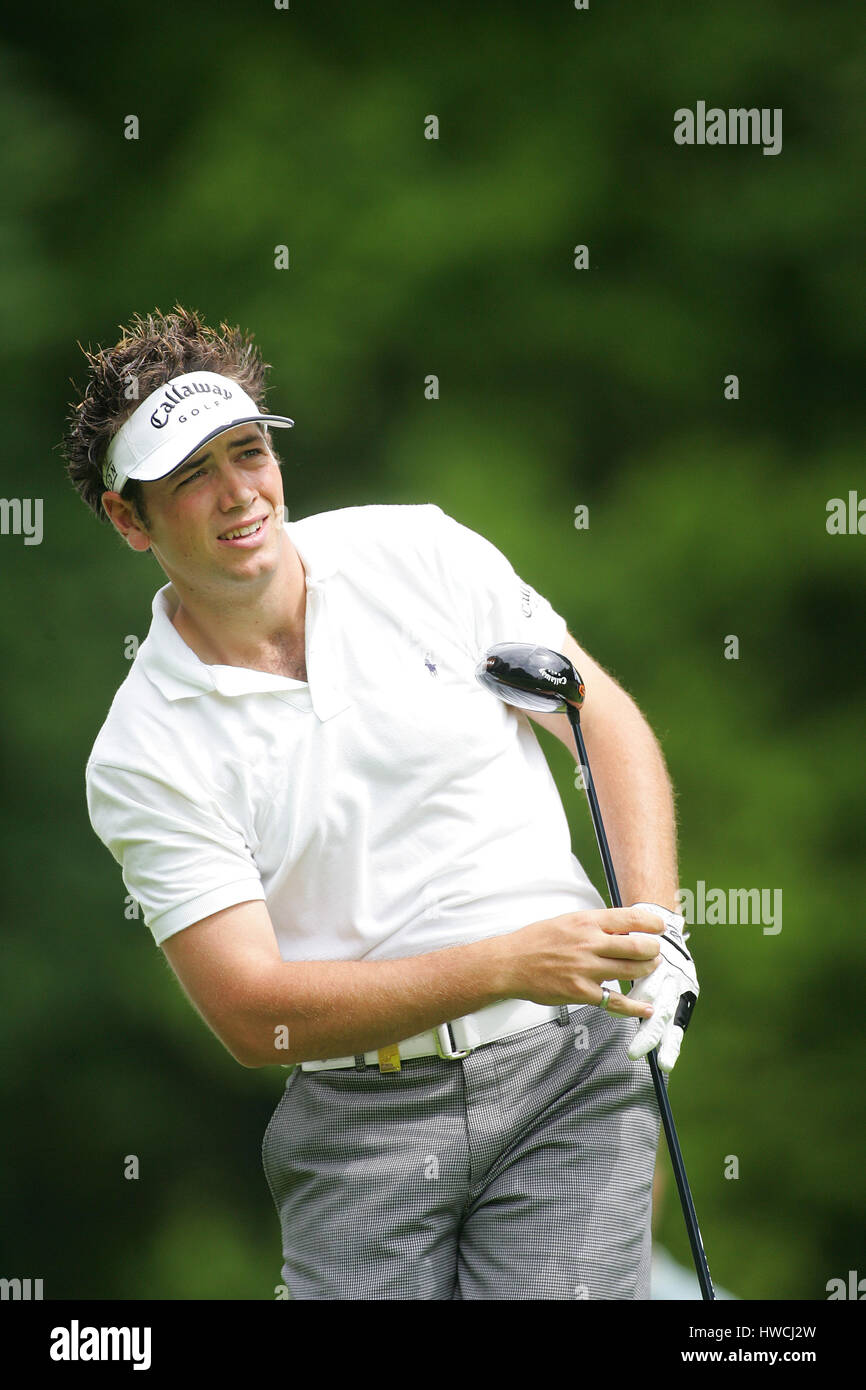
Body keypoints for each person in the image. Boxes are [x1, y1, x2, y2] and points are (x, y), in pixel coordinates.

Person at [64, 305, 700, 1301]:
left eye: (245, 452)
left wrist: (657, 927)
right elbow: (251, 1014)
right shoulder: (144, 751)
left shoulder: (417, 554)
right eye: (191, 474)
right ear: (127, 518)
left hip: (565, 1073)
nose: (238, 492)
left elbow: (598, 721)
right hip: (362, 1121)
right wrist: (507, 959)